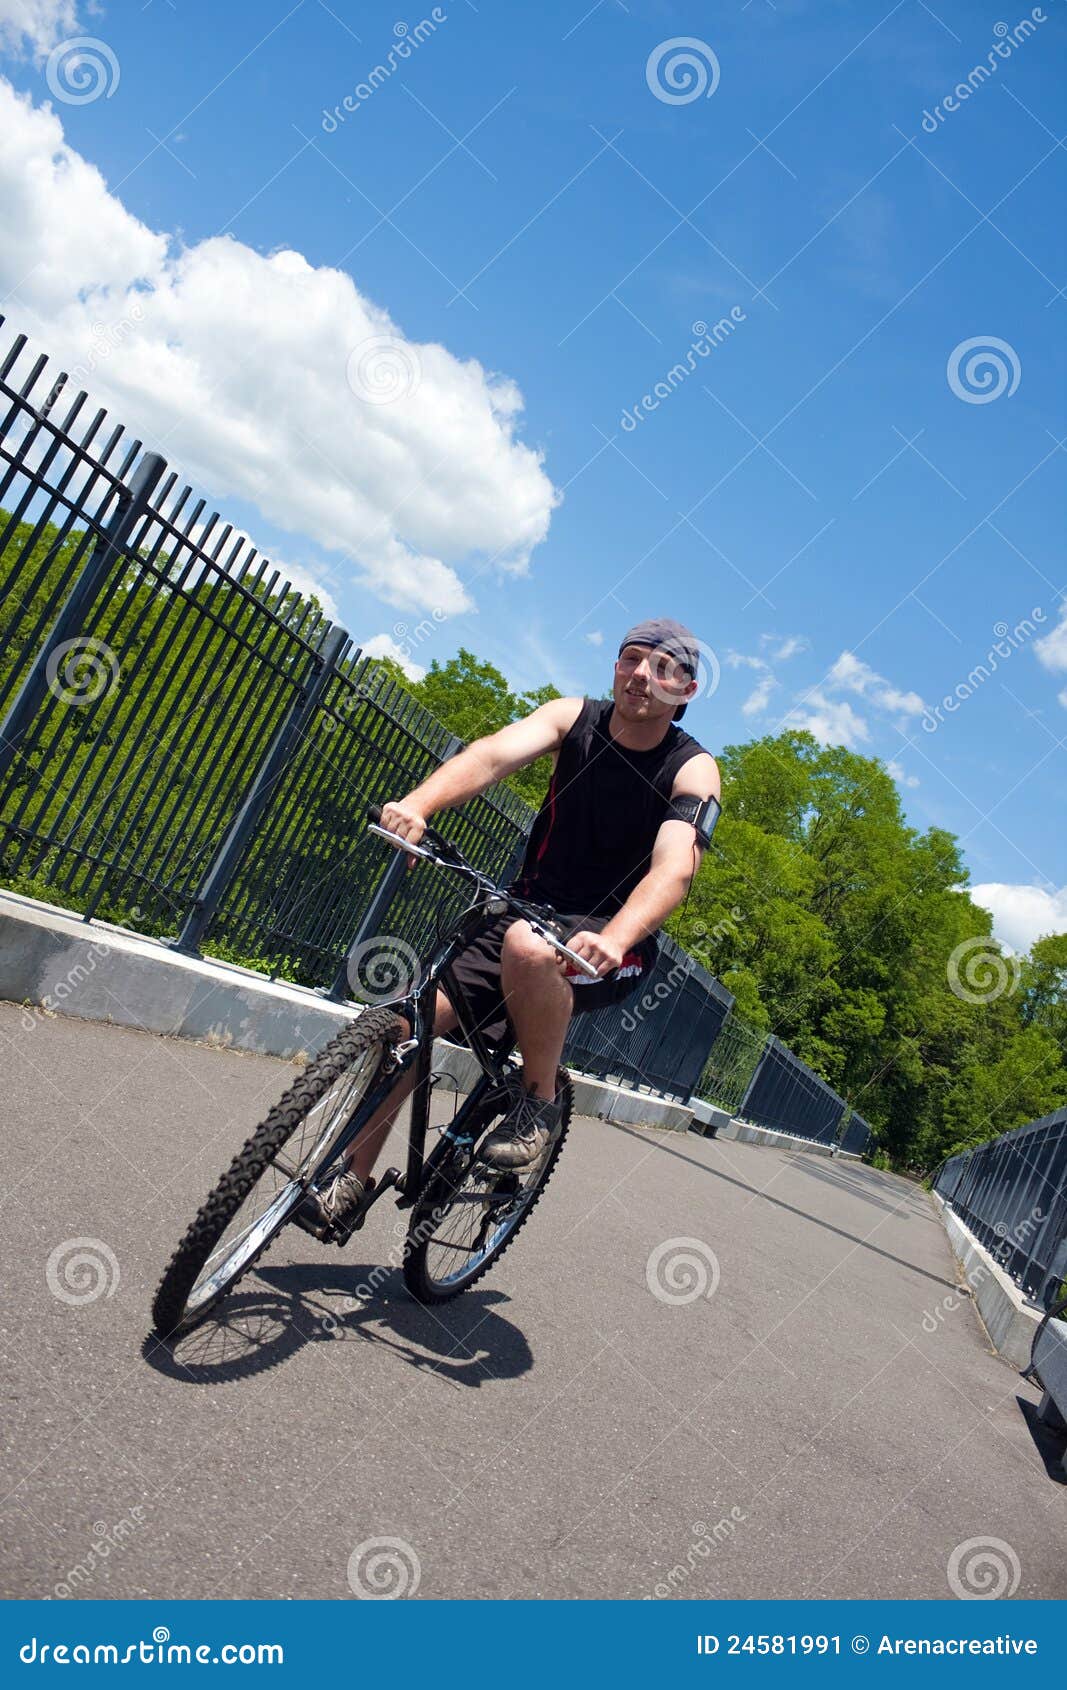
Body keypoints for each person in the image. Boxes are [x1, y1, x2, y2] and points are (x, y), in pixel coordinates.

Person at [302, 617, 721, 1233]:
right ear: (615, 666)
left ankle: (538, 1102)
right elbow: (493, 755)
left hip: (610, 942)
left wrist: (617, 936)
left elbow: (674, 869)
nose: (642, 675)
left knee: (532, 947)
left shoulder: (692, 768)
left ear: (684, 691)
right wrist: (418, 804)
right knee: (404, 1025)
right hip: (526, 910)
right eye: (632, 658)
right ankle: (349, 1180)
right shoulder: (572, 718)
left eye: (664, 669)